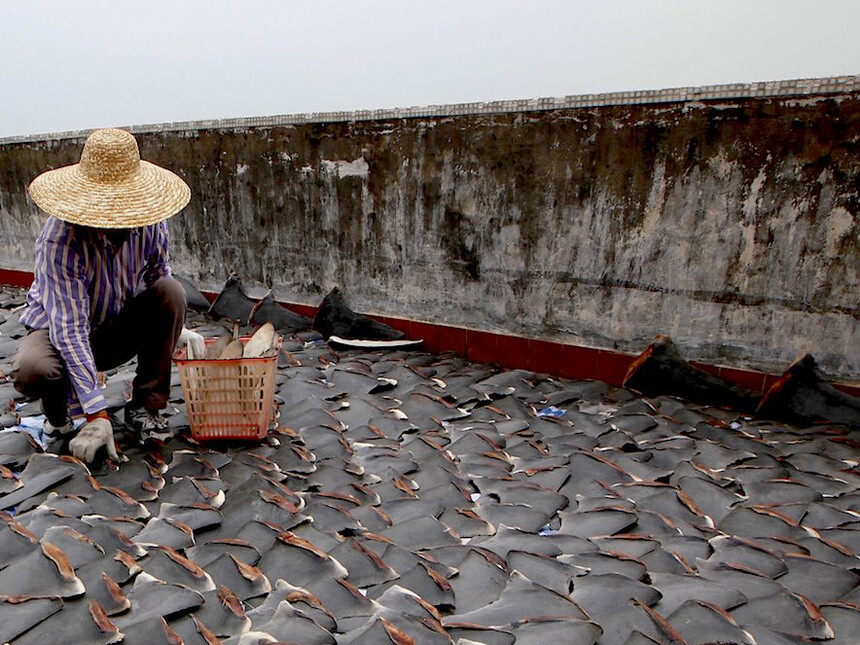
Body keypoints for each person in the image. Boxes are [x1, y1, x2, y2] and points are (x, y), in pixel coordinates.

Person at [11, 128, 205, 464]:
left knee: (173, 293)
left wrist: (178, 326)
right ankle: (59, 418)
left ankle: (146, 407)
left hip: (115, 326)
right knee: (33, 368)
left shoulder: (150, 222)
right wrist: (97, 414)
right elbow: (69, 330)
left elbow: (159, 276)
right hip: (59, 336)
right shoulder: (60, 242)